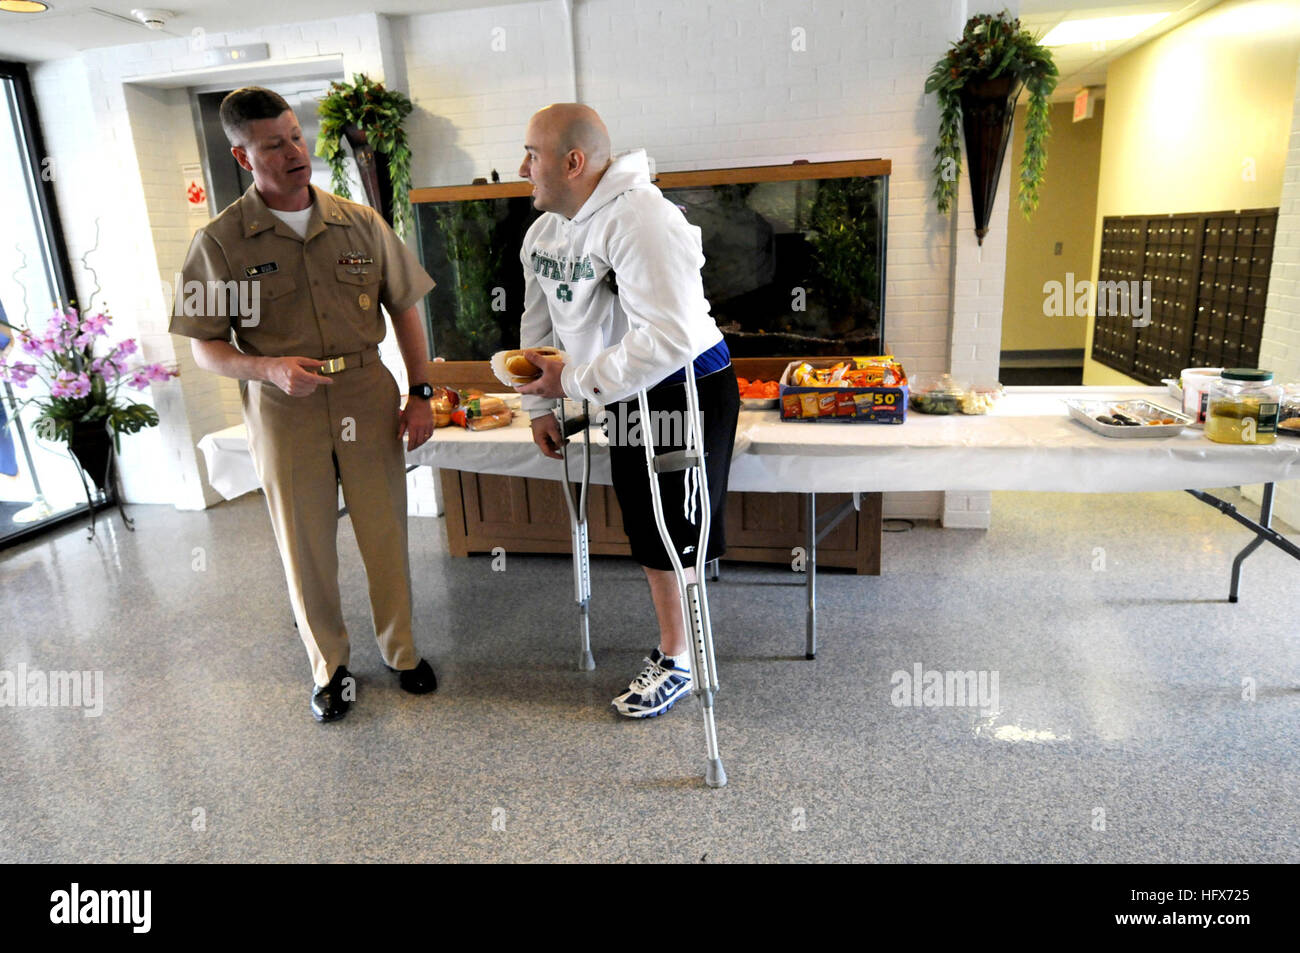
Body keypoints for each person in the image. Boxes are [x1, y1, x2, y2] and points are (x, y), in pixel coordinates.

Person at [169, 87, 437, 723]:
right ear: (243, 157)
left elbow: (405, 307)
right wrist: (265, 367)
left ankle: (401, 652)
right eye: (274, 144)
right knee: (303, 541)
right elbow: (205, 347)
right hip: (282, 406)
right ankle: (331, 667)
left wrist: (422, 392)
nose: (295, 152)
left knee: (385, 531)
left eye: (296, 135)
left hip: (367, 393)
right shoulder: (221, 240)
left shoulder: (360, 221)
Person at [514, 103, 740, 719]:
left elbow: (666, 337)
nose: (522, 166)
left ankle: (682, 658)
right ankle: (678, 646)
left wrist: (579, 381)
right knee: (645, 520)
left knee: (676, 527)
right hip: (616, 388)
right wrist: (540, 402)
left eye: (532, 153)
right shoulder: (546, 231)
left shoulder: (643, 218)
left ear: (573, 161)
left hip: (682, 385)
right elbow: (538, 329)